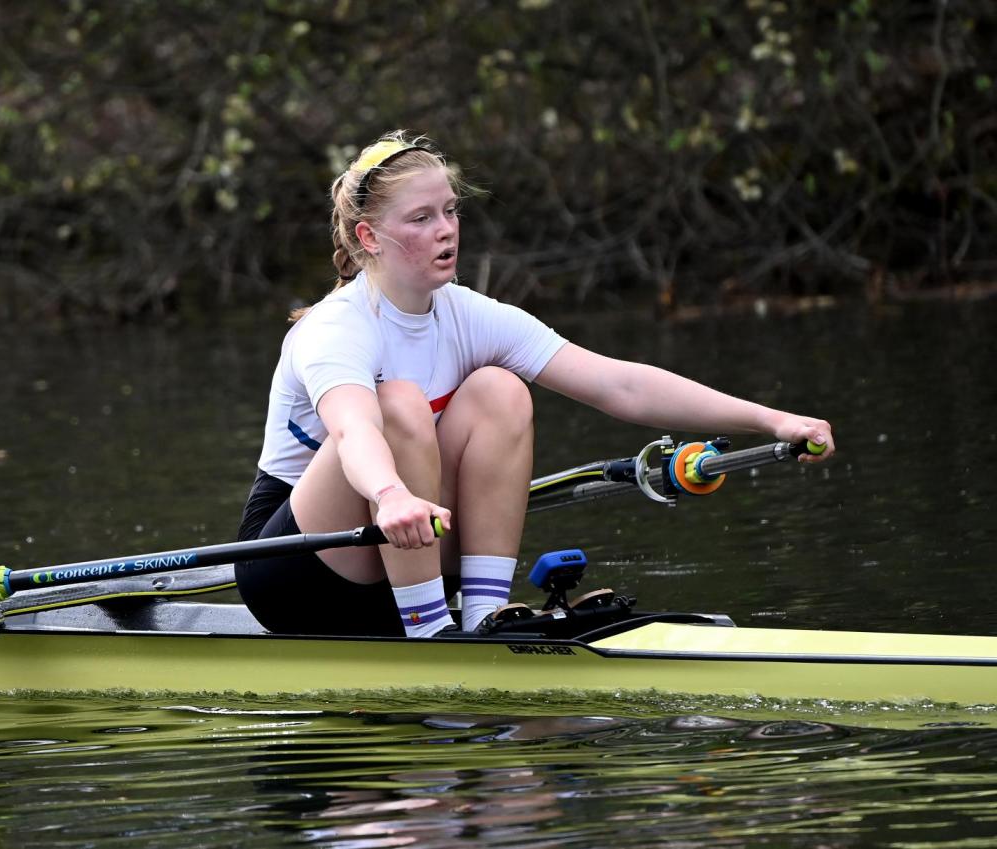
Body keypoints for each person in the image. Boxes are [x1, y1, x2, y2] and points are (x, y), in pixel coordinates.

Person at [234, 131, 835, 639]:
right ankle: (428, 632)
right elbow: (354, 429)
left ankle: (482, 616)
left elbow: (620, 385)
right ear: (369, 238)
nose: (447, 230)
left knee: (501, 389)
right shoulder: (336, 328)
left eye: (450, 211)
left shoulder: (468, 315)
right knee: (398, 404)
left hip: (415, 549)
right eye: (422, 218)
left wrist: (773, 420)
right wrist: (390, 495)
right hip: (297, 571)